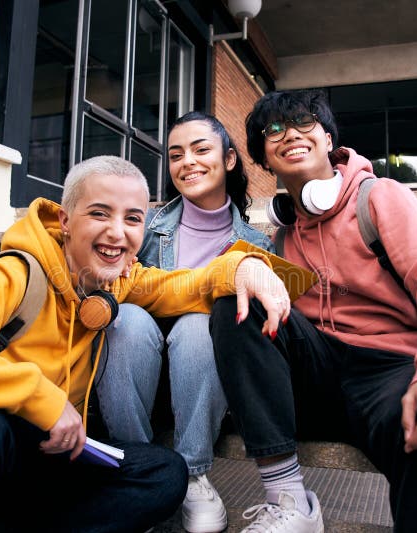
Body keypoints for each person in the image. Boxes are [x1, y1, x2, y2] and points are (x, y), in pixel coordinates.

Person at [0, 155, 291, 533]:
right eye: (99, 213)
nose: (117, 232)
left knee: (165, 473)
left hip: (48, 457)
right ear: (66, 219)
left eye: (132, 219)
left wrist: (245, 265)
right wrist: (42, 400)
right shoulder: (14, 274)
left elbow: (190, 283)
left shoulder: (119, 280)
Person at [210, 90, 417, 533]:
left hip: (388, 371)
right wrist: (244, 268)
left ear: (327, 136)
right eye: (274, 130)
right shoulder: (281, 235)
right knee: (236, 301)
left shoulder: (380, 198)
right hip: (317, 376)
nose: (290, 135)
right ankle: (290, 501)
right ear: (263, 156)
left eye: (304, 122)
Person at [96, 112, 275, 533]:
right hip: (136, 372)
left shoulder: (257, 246)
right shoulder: (145, 227)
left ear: (229, 159)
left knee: (200, 323)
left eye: (200, 150)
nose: (187, 162)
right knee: (129, 320)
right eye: (176, 155)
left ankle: (193, 472)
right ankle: (140, 471)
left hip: (207, 384)